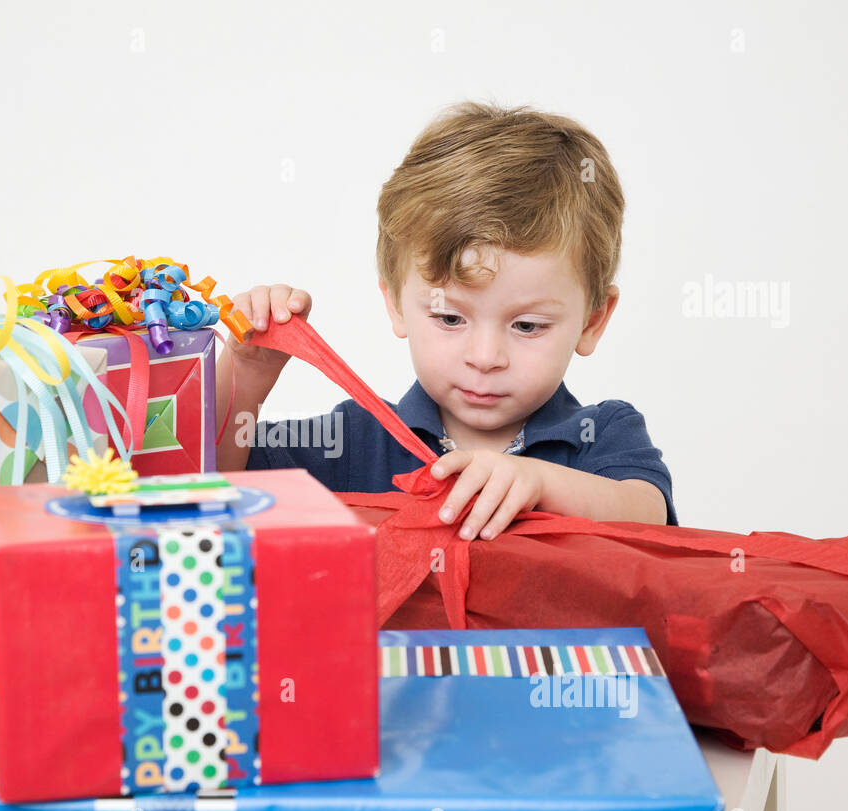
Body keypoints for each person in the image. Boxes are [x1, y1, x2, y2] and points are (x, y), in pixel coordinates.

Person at [215, 101, 677, 539]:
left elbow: (647, 518)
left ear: (592, 321)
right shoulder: (356, 438)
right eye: (451, 318)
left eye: (527, 326)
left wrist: (539, 482)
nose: (485, 357)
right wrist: (246, 378)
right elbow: (216, 489)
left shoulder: (601, 436)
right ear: (396, 304)